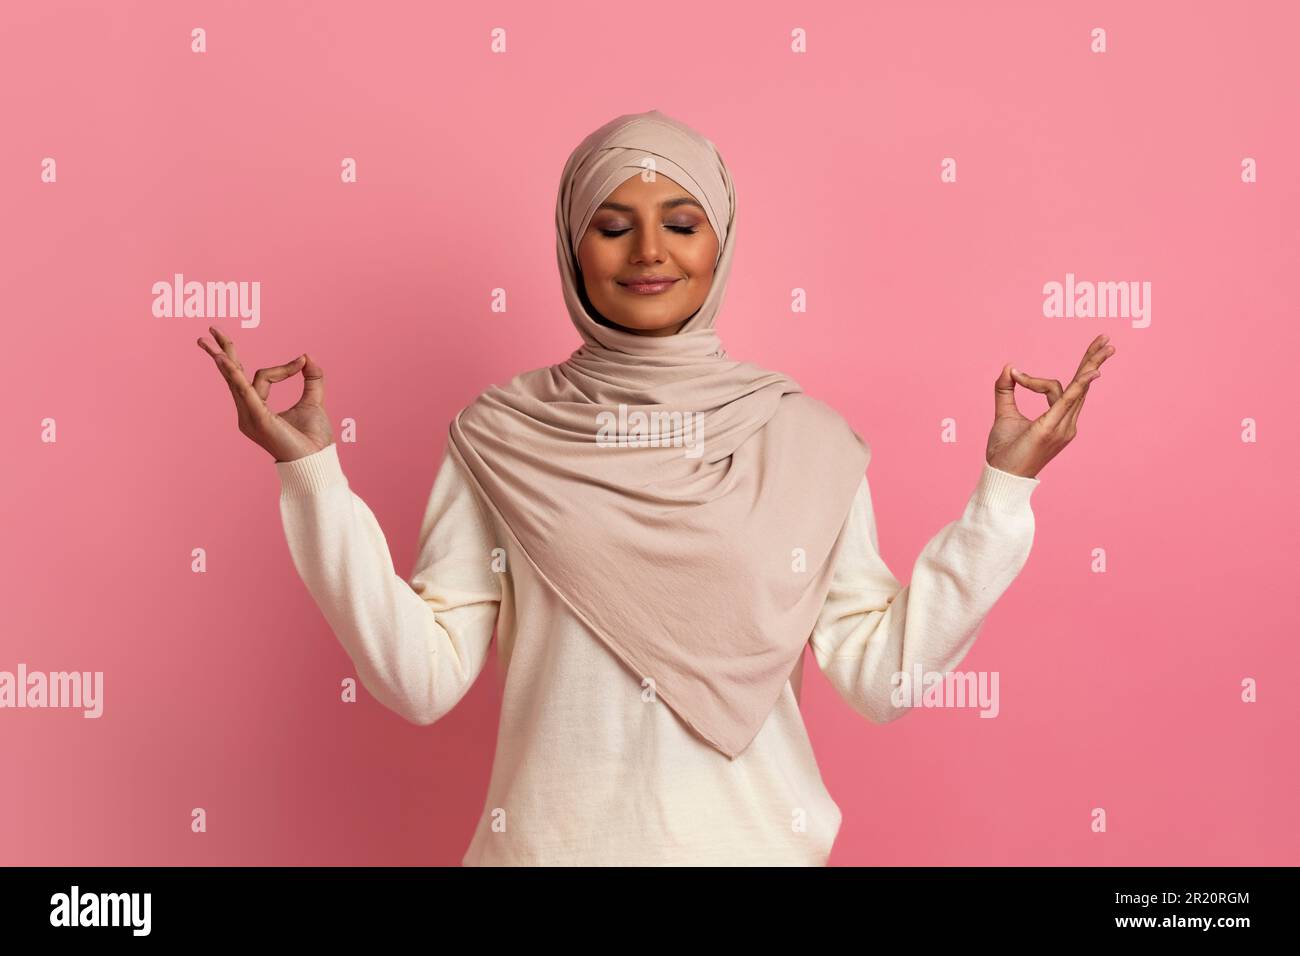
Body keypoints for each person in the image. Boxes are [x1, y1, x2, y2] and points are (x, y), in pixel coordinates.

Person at [197, 109, 1114, 866]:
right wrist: (311, 475)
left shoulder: (803, 442)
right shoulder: (501, 435)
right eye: (611, 223)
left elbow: (880, 677)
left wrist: (1004, 492)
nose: (648, 252)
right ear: (572, 243)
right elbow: (421, 678)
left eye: (681, 223)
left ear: (720, 243)